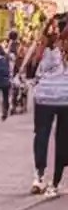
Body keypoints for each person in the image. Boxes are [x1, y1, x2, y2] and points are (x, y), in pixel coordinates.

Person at [30, 14, 68, 197]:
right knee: (56, 138)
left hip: (48, 97)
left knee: (47, 136)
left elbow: (31, 68)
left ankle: (44, 177)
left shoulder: (45, 49)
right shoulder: (46, 49)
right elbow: (31, 67)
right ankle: (48, 179)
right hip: (52, 98)